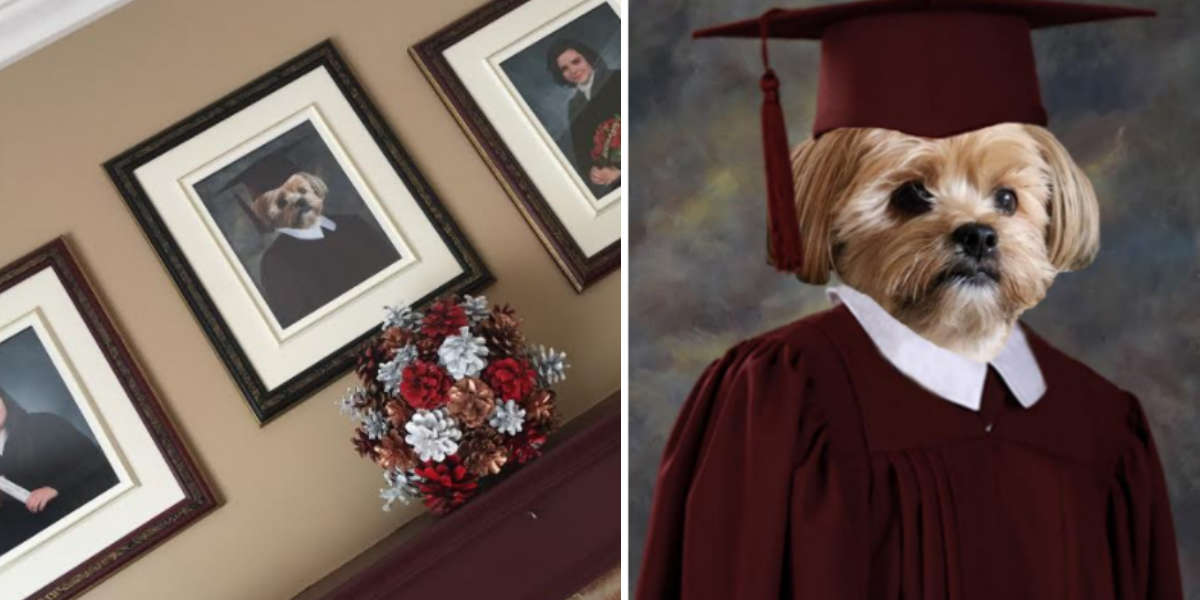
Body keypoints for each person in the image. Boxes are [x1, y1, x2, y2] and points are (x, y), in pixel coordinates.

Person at [0, 385, 118, 555]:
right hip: (34, 546)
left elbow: (98, 461)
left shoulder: (45, 424)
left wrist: (55, 488)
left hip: (77, 519)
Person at [546, 39, 620, 198]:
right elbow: (581, 151)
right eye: (565, 69)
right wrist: (592, 172)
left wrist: (620, 171)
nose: (573, 70)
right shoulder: (573, 106)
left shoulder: (617, 79)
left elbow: (641, 125)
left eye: (576, 61)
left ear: (588, 58)